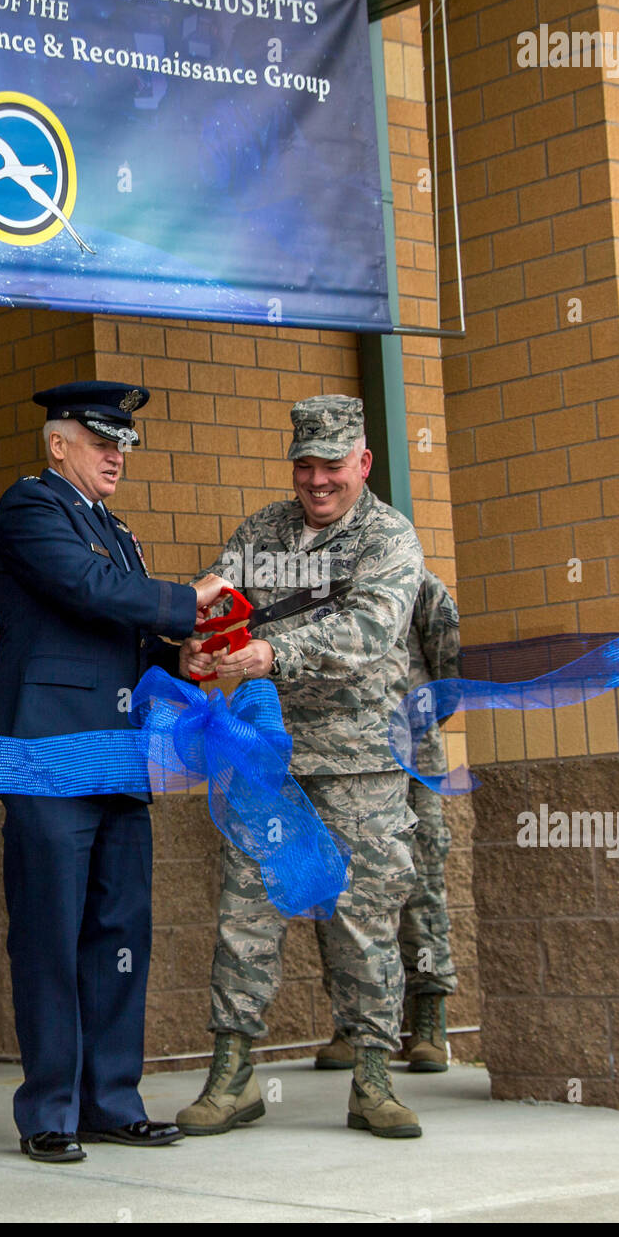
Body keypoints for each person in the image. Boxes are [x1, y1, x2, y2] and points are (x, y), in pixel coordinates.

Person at [177, 395, 427, 1139]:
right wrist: (191, 647)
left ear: (363, 463)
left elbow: (371, 628)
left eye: (332, 467)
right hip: (267, 761)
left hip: (358, 764)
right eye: (304, 466)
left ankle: (373, 1078)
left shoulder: (389, 537)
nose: (317, 482)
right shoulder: (261, 534)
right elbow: (214, 602)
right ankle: (231, 1074)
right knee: (245, 914)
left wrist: (273, 653)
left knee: (363, 918)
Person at [0, 381, 224, 1163]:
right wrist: (185, 604)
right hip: (50, 756)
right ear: (59, 445)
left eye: (122, 443)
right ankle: (49, 1111)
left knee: (120, 931)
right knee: (51, 934)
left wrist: (179, 655)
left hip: (118, 758)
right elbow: (85, 590)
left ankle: (111, 1100)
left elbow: (118, 633)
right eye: (101, 442)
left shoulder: (117, 531)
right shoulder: (30, 509)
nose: (116, 455)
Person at [315, 569, 461, 1073]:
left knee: (418, 882)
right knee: (341, 889)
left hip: (411, 755)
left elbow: (448, 663)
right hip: (336, 755)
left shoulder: (416, 579)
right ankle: (354, 1025)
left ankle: (428, 1021)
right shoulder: (314, 575)